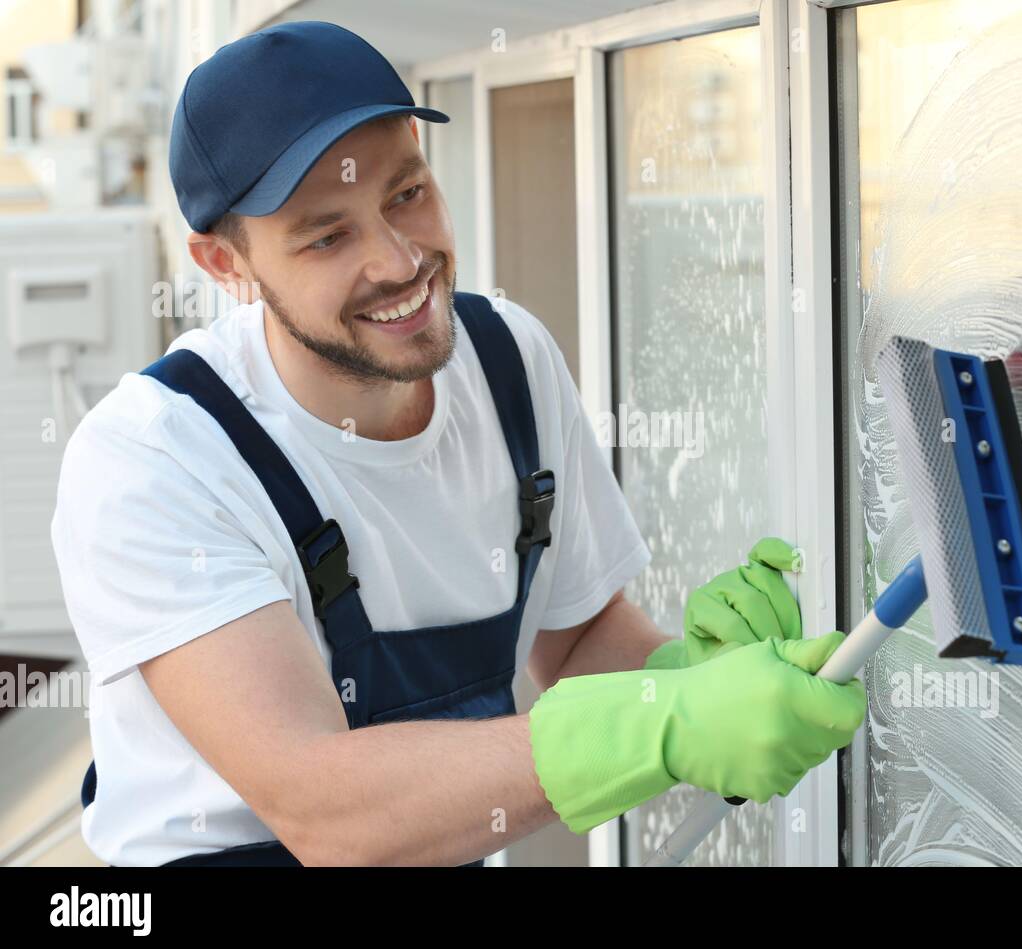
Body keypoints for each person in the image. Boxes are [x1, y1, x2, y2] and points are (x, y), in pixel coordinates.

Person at [50, 20, 864, 866]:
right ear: (225, 265)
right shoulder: (160, 457)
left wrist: (690, 672)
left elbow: (579, 643)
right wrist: (661, 723)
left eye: (406, 194)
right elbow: (324, 811)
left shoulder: (508, 362)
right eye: (328, 237)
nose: (402, 263)